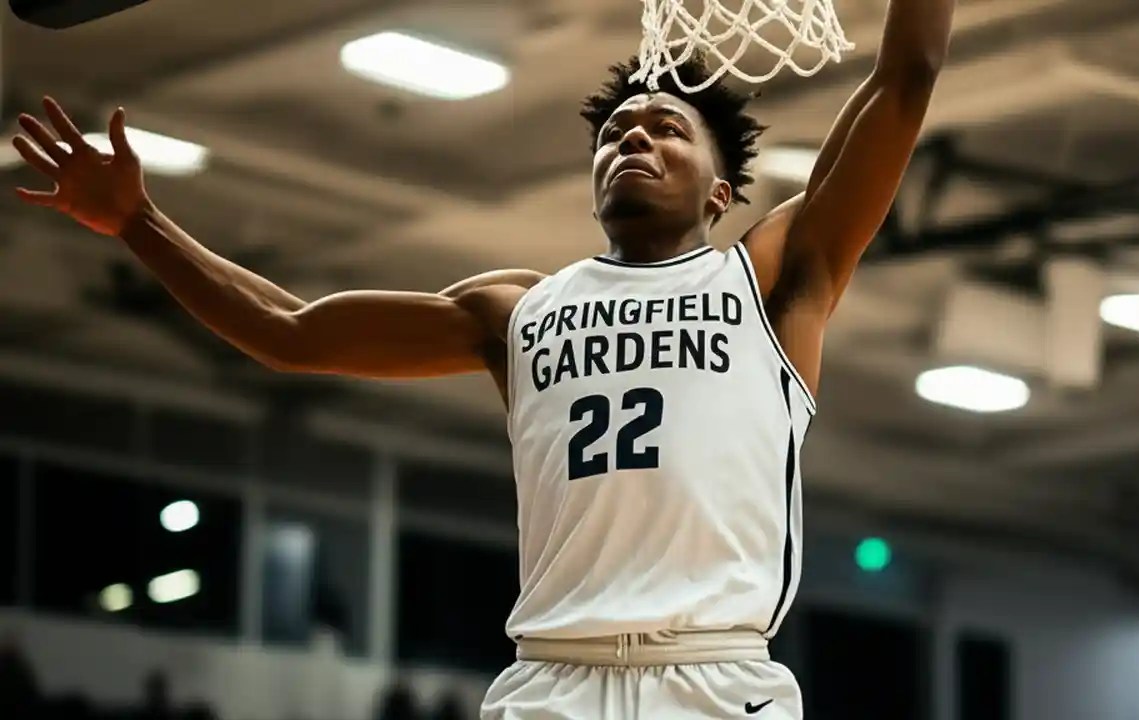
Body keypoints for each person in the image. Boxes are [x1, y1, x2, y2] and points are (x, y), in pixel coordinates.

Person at [10, 0, 953, 715]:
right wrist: (137, 222)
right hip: (550, 681)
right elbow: (290, 330)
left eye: (667, 129)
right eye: (616, 134)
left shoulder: (772, 278)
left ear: (719, 192)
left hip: (715, 677)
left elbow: (905, 78)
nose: (633, 137)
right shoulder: (514, 311)